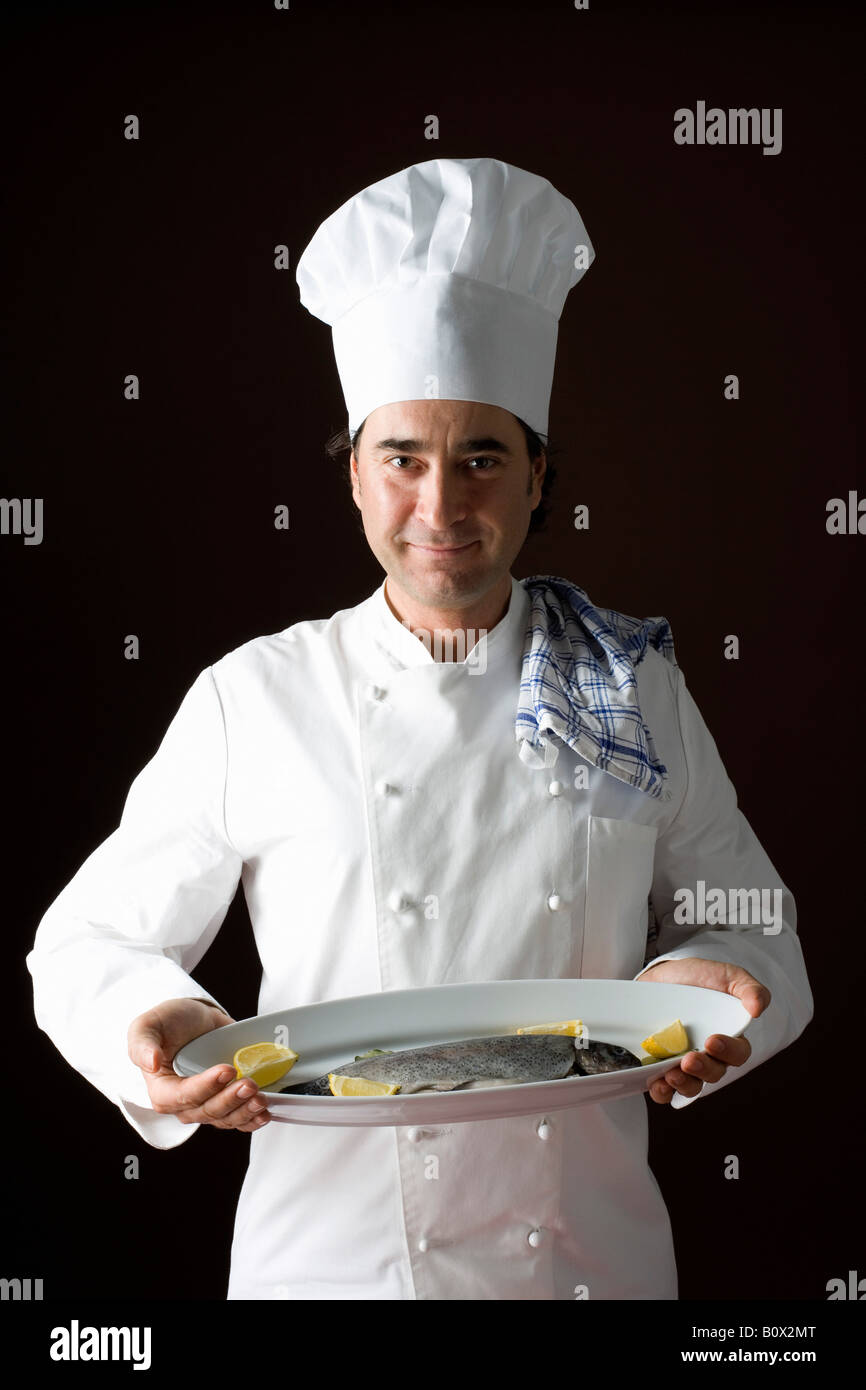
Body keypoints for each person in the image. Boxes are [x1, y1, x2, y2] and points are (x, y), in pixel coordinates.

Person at [27, 157, 813, 1300]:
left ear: (538, 476)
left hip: (585, 1269)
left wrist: (716, 968)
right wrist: (163, 1023)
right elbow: (83, 943)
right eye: (400, 459)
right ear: (351, 475)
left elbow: (762, 928)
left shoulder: (630, 688)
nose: (439, 508)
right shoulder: (257, 696)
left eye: (481, 459)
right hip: (334, 1272)